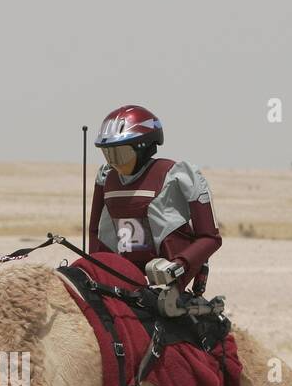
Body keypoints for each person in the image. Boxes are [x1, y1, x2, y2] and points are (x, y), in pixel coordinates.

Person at [87, 104, 222, 299]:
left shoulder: (177, 175)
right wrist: (94, 268)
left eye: (120, 154)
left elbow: (210, 237)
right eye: (108, 154)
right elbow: (95, 232)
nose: (114, 162)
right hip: (119, 280)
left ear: (143, 147)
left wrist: (179, 266)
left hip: (166, 284)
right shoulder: (105, 178)